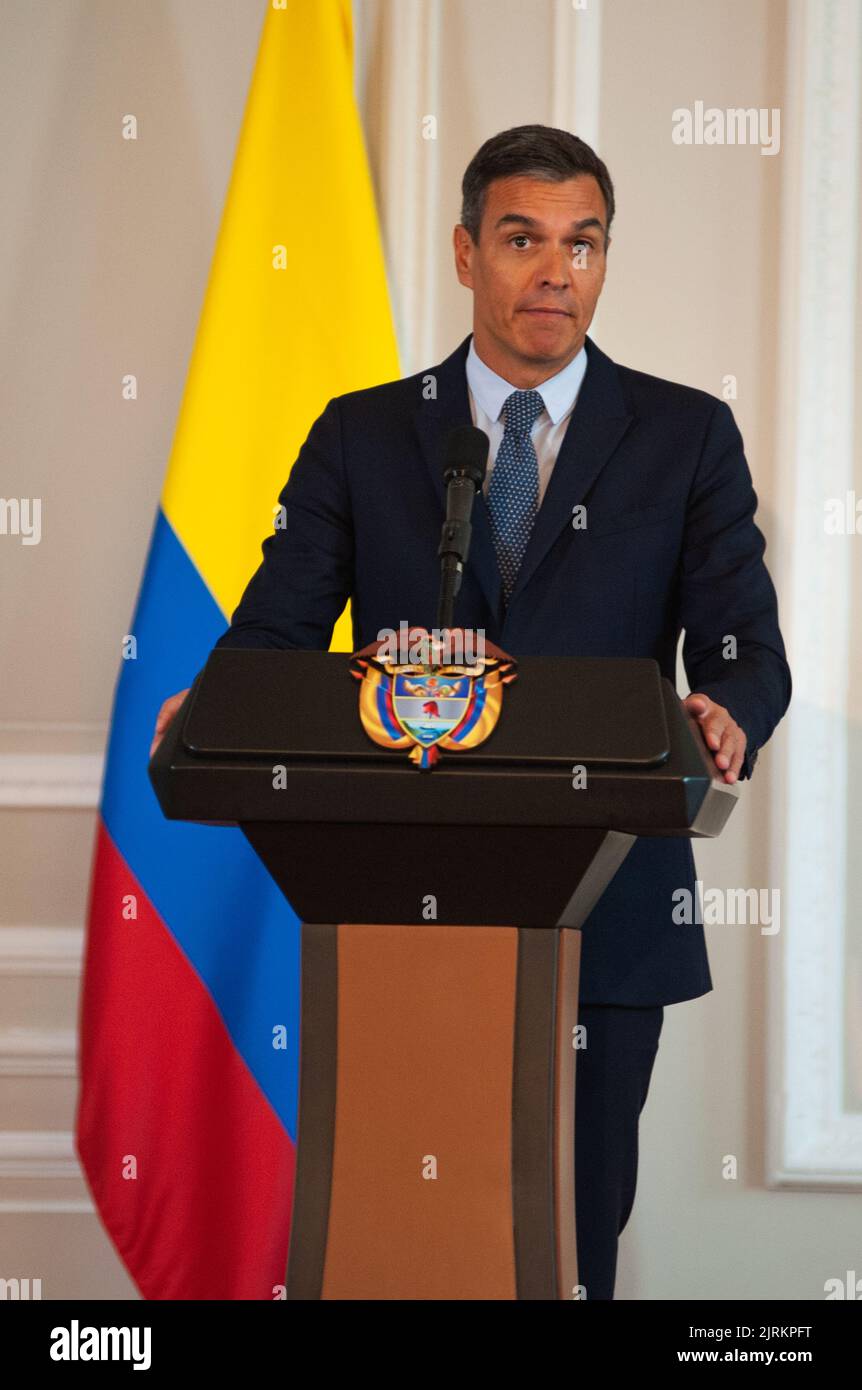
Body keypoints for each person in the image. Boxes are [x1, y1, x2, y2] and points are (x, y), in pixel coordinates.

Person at [151, 124, 791, 1298]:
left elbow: (746, 644)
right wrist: (223, 694)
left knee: (567, 1236)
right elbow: (279, 633)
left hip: (604, 912)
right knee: (400, 1239)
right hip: (393, 913)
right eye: (522, 239)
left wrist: (727, 709)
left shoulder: (686, 433)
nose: (557, 271)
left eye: (582, 243)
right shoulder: (363, 433)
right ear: (464, 253)